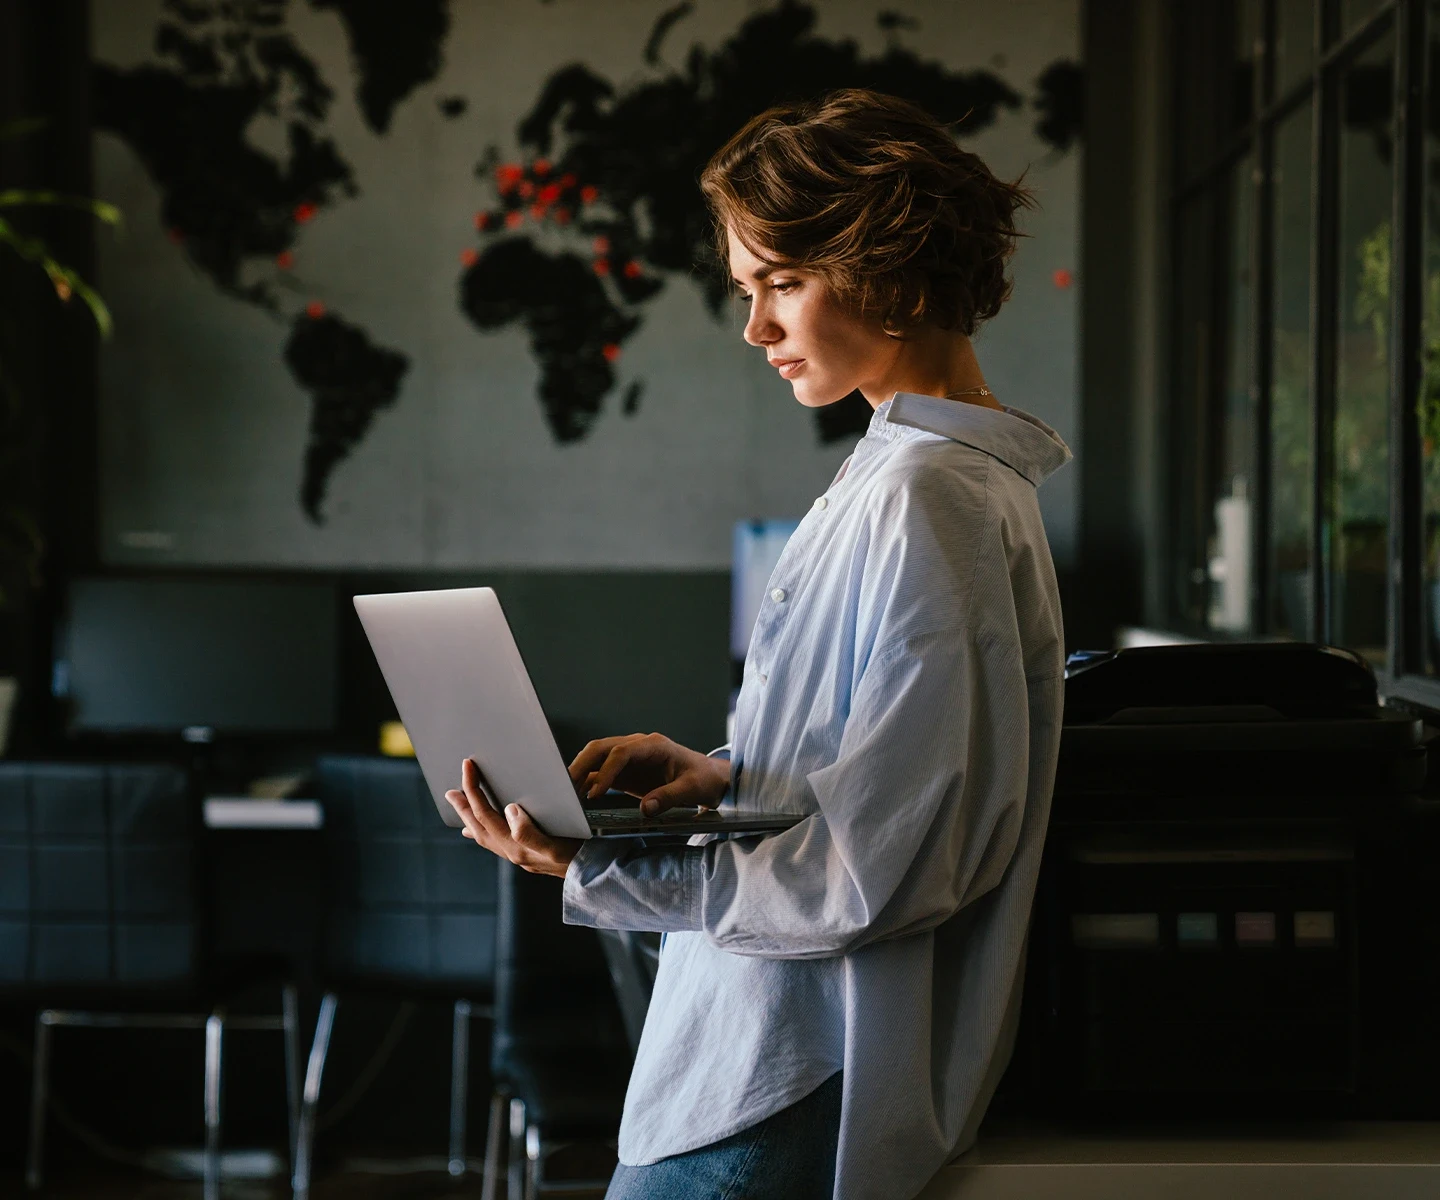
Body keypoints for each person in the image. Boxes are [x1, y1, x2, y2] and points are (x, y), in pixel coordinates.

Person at [445, 88, 1071, 1200]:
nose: (758, 329)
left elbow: (884, 865)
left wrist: (601, 865)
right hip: (760, 1050)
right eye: (749, 290)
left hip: (793, 1068)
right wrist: (726, 773)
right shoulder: (900, 473)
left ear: (897, 261)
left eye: (783, 283)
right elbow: (885, 765)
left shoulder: (937, 499)